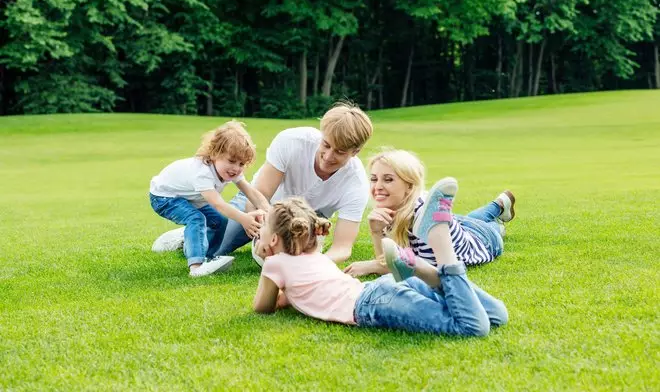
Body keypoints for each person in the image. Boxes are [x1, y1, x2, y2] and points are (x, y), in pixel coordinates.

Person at [253, 185, 508, 337]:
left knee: (473, 327)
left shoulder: (276, 264)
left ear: (274, 240)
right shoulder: (314, 255)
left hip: (372, 302)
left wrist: (270, 272)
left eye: (262, 227)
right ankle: (419, 268)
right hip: (386, 285)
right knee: (497, 315)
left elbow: (262, 307)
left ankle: (439, 241)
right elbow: (299, 293)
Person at [222, 102, 373, 264]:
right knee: (215, 243)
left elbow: (342, 248)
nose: (328, 156)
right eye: (326, 145)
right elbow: (257, 198)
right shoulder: (292, 141)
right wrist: (264, 233)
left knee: (282, 259)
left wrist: (310, 264)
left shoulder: (356, 184)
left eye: (340, 152)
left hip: (307, 221)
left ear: (355, 152)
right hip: (263, 204)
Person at [344, 149, 515, 277]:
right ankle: (501, 203)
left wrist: (373, 266)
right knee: (470, 219)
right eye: (374, 179)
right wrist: (376, 231)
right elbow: (389, 257)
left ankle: (498, 215)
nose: (378, 186)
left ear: (409, 186)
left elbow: (425, 269)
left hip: (484, 241)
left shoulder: (423, 217)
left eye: (388, 179)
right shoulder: (391, 207)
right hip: (463, 227)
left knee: (488, 226)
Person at [149, 121, 269, 277]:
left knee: (219, 221)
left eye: (241, 164)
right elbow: (217, 204)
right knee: (196, 219)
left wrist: (269, 212)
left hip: (188, 198)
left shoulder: (232, 170)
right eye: (231, 161)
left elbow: (250, 192)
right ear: (214, 154)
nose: (236, 168)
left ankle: (208, 257)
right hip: (164, 197)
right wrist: (244, 219)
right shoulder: (202, 173)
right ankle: (196, 267)